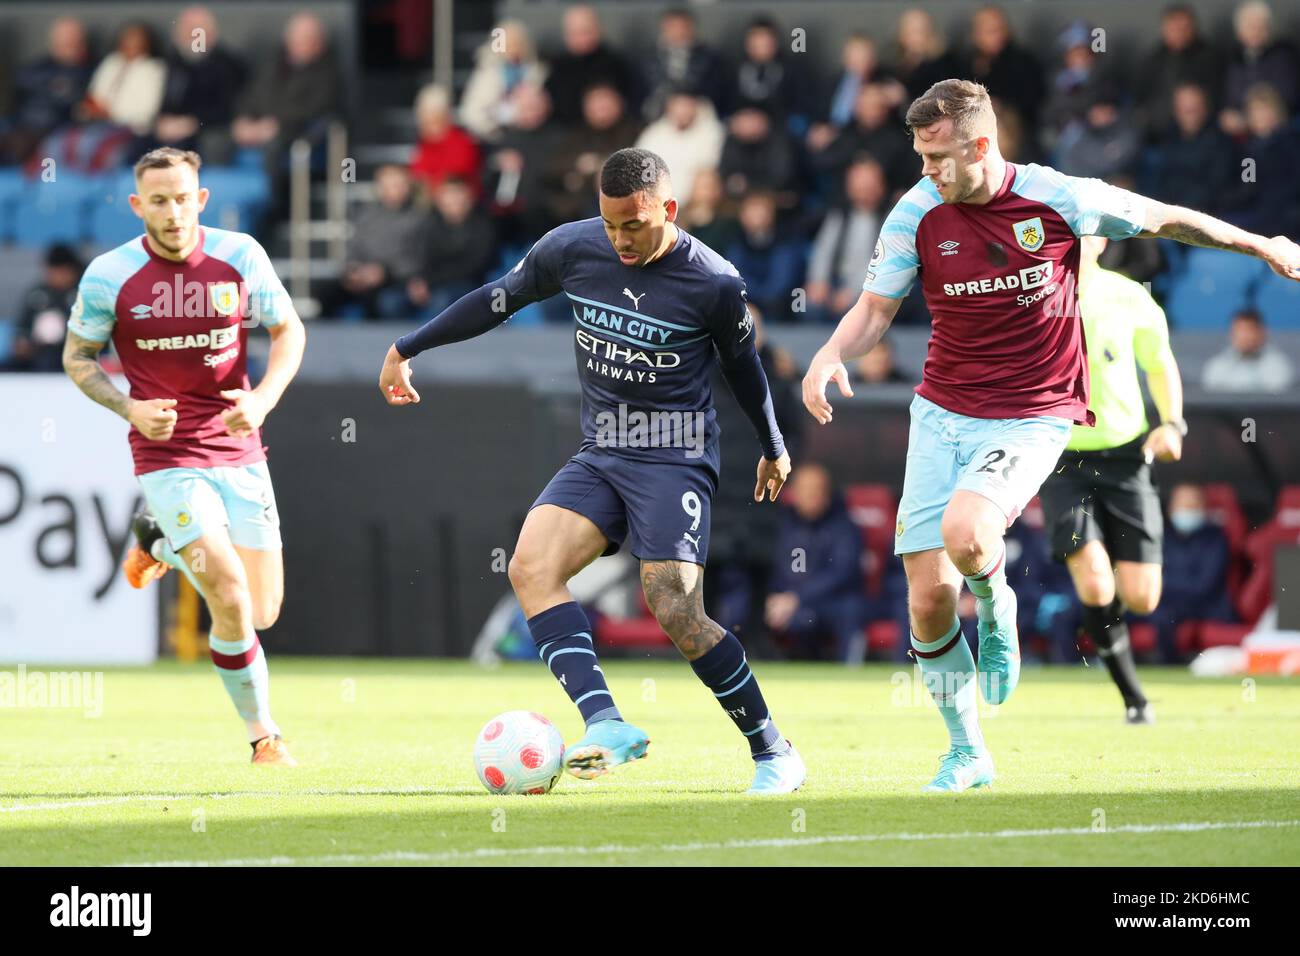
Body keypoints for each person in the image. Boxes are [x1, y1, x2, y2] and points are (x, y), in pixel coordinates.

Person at [801, 78, 1300, 793]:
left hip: (1035, 410)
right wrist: (828, 354)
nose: (925, 170)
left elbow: (1165, 220)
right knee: (926, 598)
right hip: (942, 410)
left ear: (981, 144)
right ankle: (967, 752)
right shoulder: (915, 211)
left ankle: (998, 601)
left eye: (937, 155)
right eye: (918, 155)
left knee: (968, 533)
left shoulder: (1057, 197)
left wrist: (1261, 245)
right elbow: (876, 310)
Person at [379, 147, 805, 794]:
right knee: (530, 569)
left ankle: (774, 751)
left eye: (633, 225)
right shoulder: (572, 249)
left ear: (669, 209)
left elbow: (745, 369)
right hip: (603, 450)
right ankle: (605, 722)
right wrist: (408, 347)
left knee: (675, 608)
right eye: (609, 225)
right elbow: (499, 299)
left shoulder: (715, 283)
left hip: (676, 453)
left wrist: (773, 443)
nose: (619, 240)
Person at [61, 148, 306, 765]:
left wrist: (265, 398)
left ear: (201, 199)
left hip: (240, 444)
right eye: (159, 201)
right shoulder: (109, 276)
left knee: (263, 610)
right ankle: (264, 737)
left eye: (182, 199)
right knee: (225, 593)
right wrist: (129, 408)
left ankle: (159, 542)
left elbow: (289, 329)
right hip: (165, 450)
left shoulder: (240, 255)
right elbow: (78, 357)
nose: (173, 213)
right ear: (138, 205)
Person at [1037, 236, 1185, 724]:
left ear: (1102, 241)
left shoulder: (1129, 296)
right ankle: (1134, 700)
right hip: (1060, 457)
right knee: (1094, 578)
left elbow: (1160, 363)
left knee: (1142, 595)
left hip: (1126, 455)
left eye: (1086, 232)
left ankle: (1105, 625)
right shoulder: (1034, 293)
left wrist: (1172, 422)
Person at [765, 463, 867, 662]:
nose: (810, 496)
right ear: (793, 492)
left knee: (851, 608)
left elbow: (843, 573)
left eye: (816, 490)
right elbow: (768, 564)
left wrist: (796, 598)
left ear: (827, 493)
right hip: (782, 602)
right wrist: (771, 596)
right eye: (804, 490)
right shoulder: (779, 524)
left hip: (829, 602)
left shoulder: (844, 525)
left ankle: (850, 670)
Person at [5, 244, 82, 372]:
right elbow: (22, 329)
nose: (57, 276)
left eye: (62, 272)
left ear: (72, 271)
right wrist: (23, 343)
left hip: (68, 356)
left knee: (50, 361)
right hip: (34, 354)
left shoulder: (82, 295)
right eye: (53, 271)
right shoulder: (36, 294)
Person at [1202, 308, 1295, 391]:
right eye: (1239, 331)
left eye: (1249, 331)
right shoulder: (1217, 365)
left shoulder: (1279, 365)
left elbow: (1278, 401)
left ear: (1262, 332)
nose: (1244, 336)